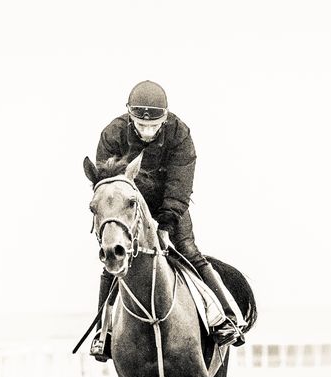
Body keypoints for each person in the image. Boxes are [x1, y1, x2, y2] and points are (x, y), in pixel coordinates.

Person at [90, 80, 243, 361]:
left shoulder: (180, 134)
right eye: (140, 124)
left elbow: (179, 185)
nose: (147, 131)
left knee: (190, 252)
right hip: (128, 208)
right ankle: (103, 334)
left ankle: (227, 317)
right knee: (111, 260)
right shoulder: (111, 134)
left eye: (154, 125)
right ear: (129, 117)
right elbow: (107, 186)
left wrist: (165, 224)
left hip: (169, 207)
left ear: (165, 118)